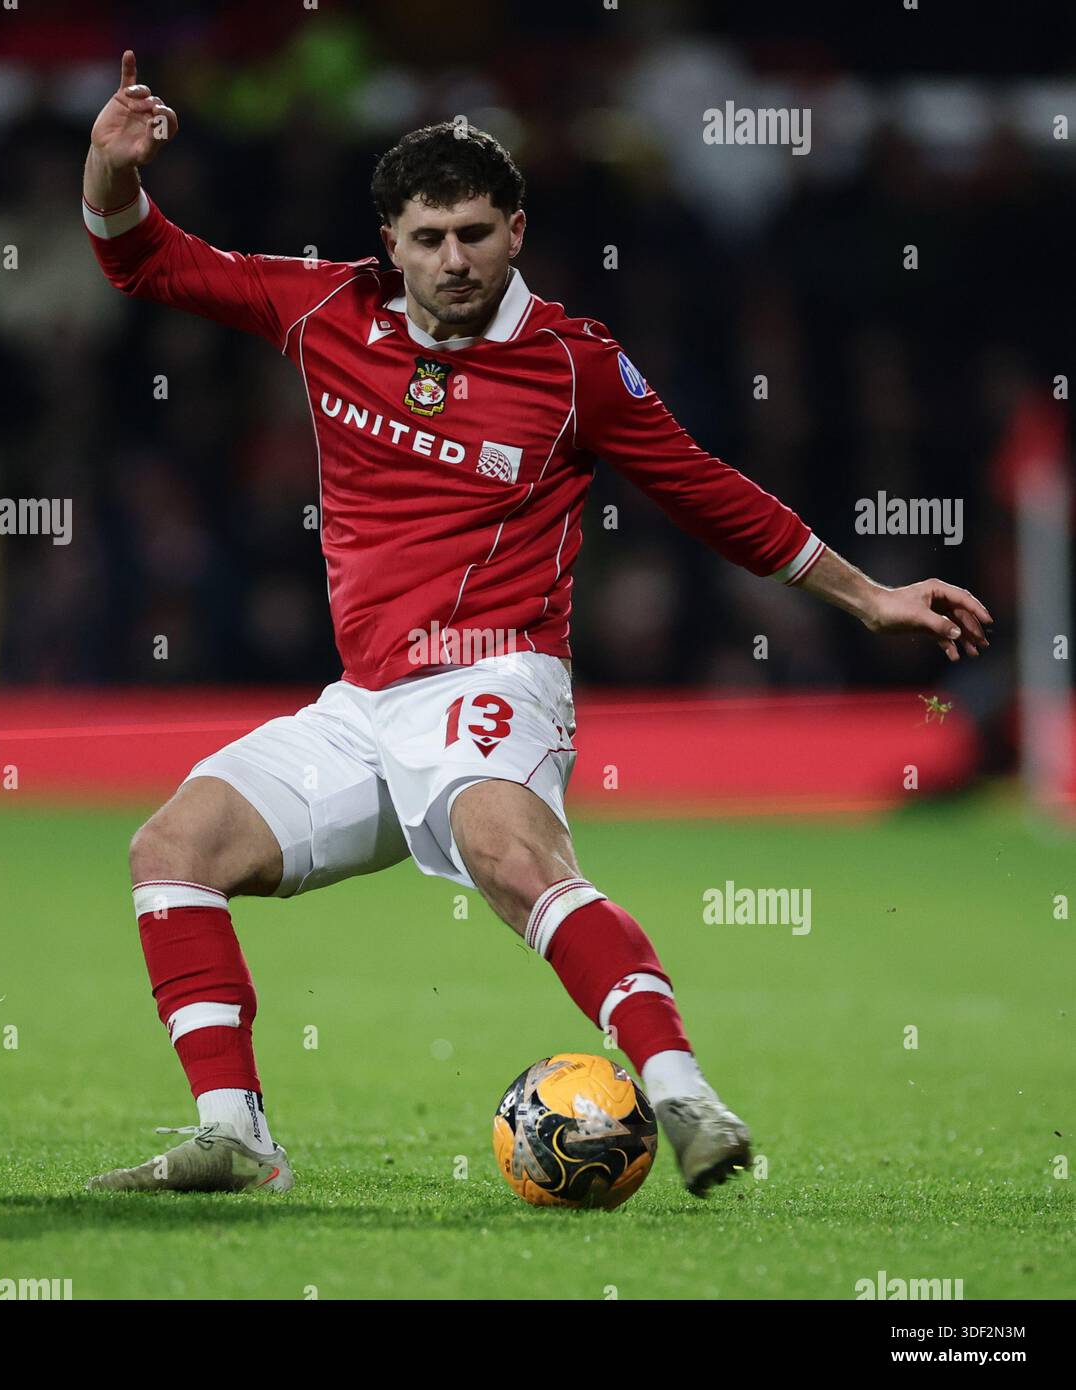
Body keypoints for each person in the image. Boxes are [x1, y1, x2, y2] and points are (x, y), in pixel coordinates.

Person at [82, 53, 993, 1198]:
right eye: (427, 238)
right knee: (171, 850)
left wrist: (869, 596)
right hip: (364, 704)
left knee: (511, 857)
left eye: (473, 233)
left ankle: (684, 1095)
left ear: (515, 232)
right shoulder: (325, 307)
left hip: (496, 675)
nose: (452, 259)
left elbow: (706, 490)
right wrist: (110, 170)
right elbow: (144, 259)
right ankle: (235, 1135)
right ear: (389, 242)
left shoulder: (574, 365)